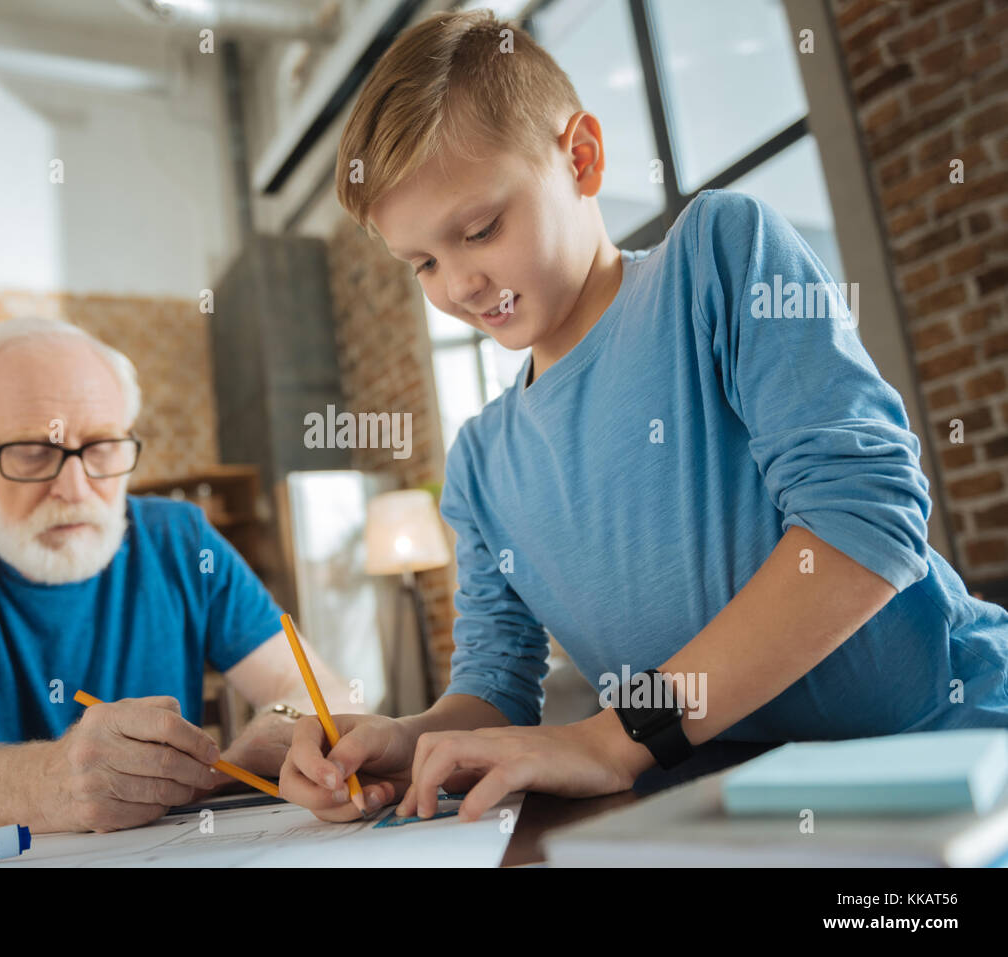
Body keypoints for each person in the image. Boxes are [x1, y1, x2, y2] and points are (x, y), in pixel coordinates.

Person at [280, 10, 1008, 824]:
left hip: (954, 748)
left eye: (480, 230)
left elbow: (866, 520)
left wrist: (617, 737)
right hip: (731, 805)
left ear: (581, 158)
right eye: (422, 262)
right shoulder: (482, 459)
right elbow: (495, 686)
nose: (458, 285)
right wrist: (408, 738)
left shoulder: (717, 257)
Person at [0, 317, 369, 847]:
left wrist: (282, 731)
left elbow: (329, 697)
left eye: (101, 447)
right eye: (35, 453)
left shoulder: (183, 542)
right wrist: (49, 782)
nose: (74, 488)